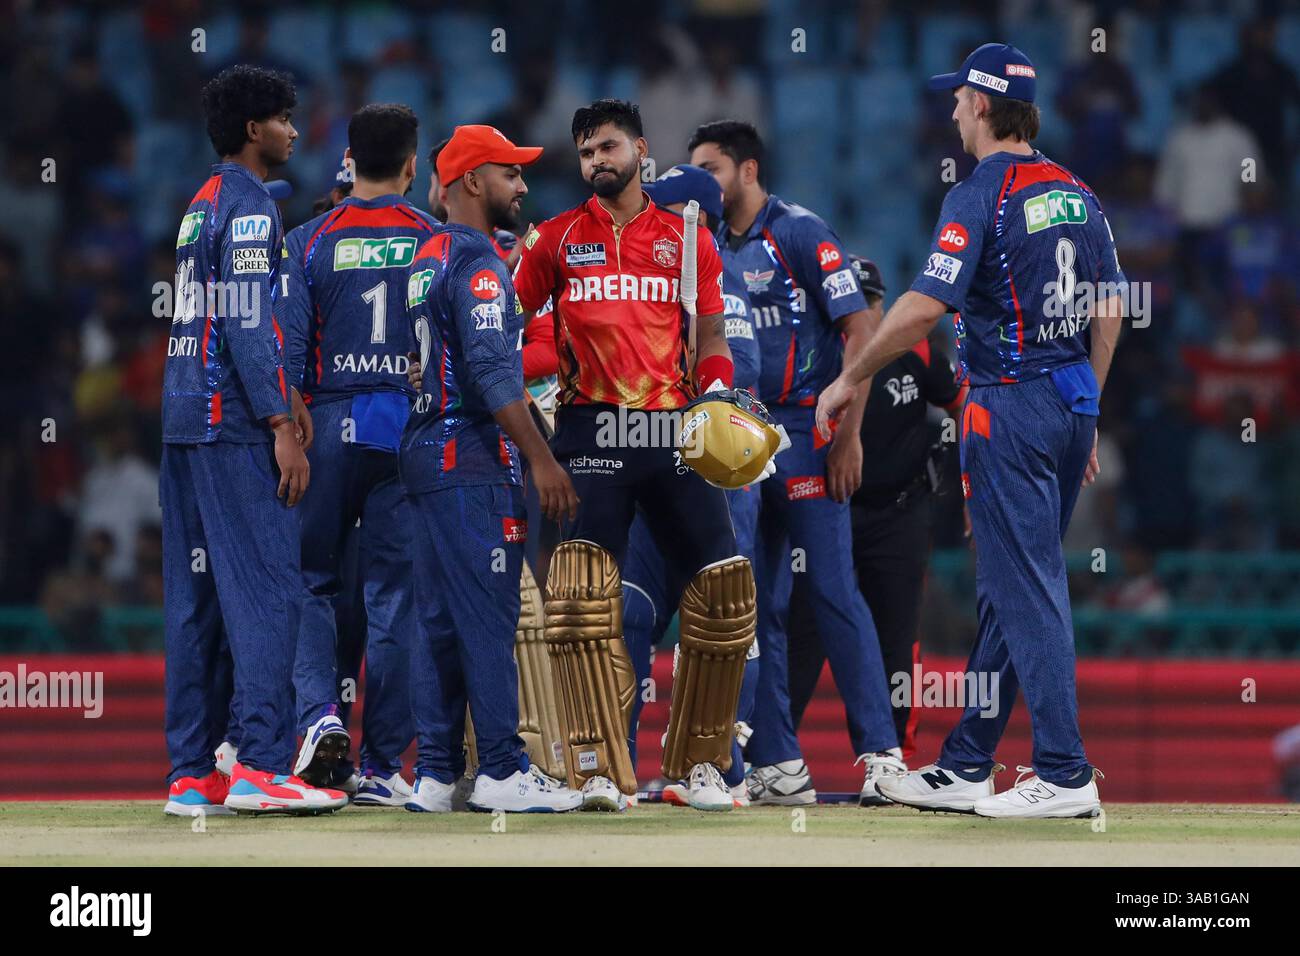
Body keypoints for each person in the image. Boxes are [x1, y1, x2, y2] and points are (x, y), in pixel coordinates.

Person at [817, 43, 1125, 819]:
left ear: (983, 105)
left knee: (1026, 587)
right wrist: (1086, 410)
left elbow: (925, 307)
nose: (952, 110)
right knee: (1009, 588)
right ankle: (965, 764)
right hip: (1067, 402)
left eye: (959, 98)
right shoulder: (1079, 193)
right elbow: (1112, 307)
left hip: (1009, 404)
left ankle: (1062, 771)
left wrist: (851, 377)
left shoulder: (979, 190)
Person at [511, 100, 755, 812]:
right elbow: (503, 322)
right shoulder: (554, 239)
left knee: (723, 589)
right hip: (589, 434)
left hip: (671, 430)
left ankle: (700, 767)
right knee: (582, 598)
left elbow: (712, 335)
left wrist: (714, 400)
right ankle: (591, 768)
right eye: (586, 152)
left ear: (641, 149)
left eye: (608, 147)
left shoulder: (687, 238)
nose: (597, 162)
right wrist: (529, 401)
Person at [689, 119, 902, 805]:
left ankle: (882, 756)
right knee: (756, 605)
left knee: (834, 593)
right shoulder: (705, 247)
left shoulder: (801, 232)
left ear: (748, 171)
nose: (700, 183)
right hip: (739, 435)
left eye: (711, 168)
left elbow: (861, 329)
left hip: (808, 430)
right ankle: (779, 762)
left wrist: (850, 432)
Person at [161, 64, 345, 816]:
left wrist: (288, 397)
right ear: (252, 130)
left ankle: (191, 774)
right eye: (283, 119)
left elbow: (222, 318)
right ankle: (262, 767)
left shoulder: (198, 206)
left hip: (182, 422)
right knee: (270, 590)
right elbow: (244, 320)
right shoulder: (251, 209)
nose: (295, 132)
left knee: (195, 603)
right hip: (232, 425)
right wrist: (279, 423)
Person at [400, 124, 582, 813]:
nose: (523, 186)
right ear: (473, 181)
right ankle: (504, 769)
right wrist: (541, 460)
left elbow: (423, 366)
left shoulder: (425, 257)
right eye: (511, 172)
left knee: (438, 620)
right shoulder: (478, 263)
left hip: (424, 455)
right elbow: (488, 369)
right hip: (472, 459)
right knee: (487, 616)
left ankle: (437, 773)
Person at [279, 104, 439, 806]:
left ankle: (318, 719)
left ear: (348, 160)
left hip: (324, 423)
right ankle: (380, 767)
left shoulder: (308, 241)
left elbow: (282, 353)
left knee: (312, 582)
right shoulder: (437, 241)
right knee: (394, 599)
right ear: (412, 165)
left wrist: (291, 426)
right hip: (404, 426)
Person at [785, 255, 967, 803]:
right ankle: (775, 755)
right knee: (802, 631)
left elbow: (962, 404)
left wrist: (970, 494)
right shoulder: (819, 353)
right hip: (828, 510)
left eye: (870, 303)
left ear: (885, 306)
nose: (862, 314)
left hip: (900, 512)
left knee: (897, 635)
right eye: (851, 305)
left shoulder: (917, 350)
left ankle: (893, 764)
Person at [618, 164, 762, 807]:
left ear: (696, 221)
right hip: (649, 474)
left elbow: (733, 376)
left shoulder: (716, 289)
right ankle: (613, 764)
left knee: (723, 622)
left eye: (667, 213)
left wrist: (710, 396)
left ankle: (713, 765)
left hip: (713, 478)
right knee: (630, 614)